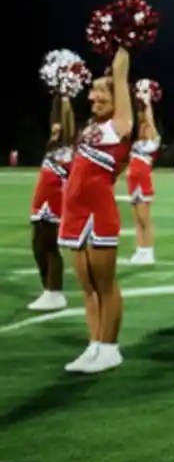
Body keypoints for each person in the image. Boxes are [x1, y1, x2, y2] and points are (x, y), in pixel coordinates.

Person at [60, 47, 133, 373]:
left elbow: (121, 71)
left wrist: (120, 49)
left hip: (97, 214)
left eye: (102, 93)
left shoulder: (119, 126)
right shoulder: (90, 129)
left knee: (105, 284)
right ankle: (94, 345)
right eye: (93, 93)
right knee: (87, 285)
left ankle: (110, 347)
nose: (94, 98)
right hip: (74, 214)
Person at [28, 95, 74, 311]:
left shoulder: (67, 145)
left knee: (49, 244)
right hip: (43, 196)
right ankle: (47, 289)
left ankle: (54, 291)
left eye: (59, 127)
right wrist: (56, 95)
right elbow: (56, 118)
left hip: (55, 196)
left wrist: (64, 97)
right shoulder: (53, 145)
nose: (55, 128)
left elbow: (65, 119)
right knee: (38, 243)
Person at [126, 84, 160, 265]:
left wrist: (147, 104)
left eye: (145, 126)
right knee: (137, 219)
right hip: (132, 180)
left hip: (142, 181)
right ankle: (140, 249)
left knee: (144, 218)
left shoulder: (153, 141)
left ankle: (149, 250)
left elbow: (150, 120)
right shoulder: (136, 144)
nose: (143, 127)